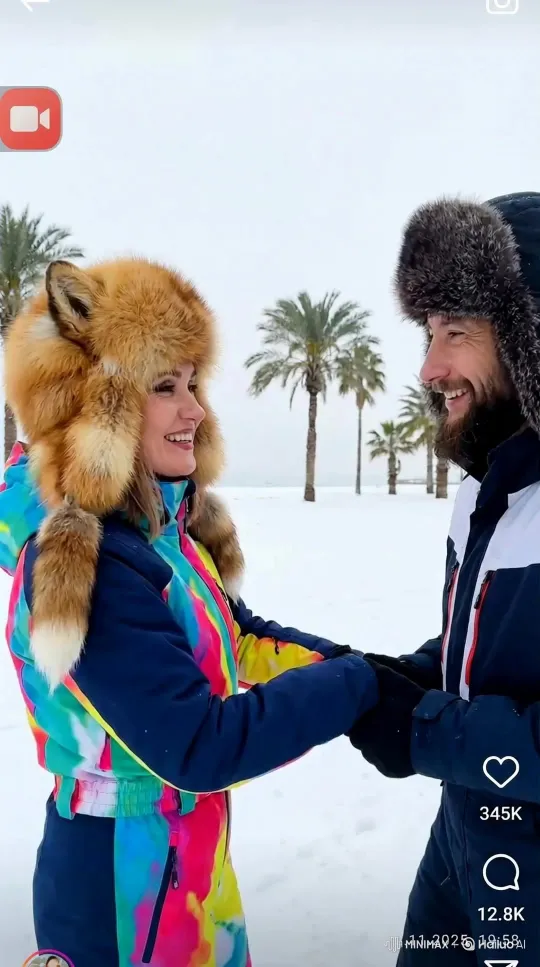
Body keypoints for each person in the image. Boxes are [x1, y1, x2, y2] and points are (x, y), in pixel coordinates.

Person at [0, 257, 377, 967]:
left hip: (189, 875)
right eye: (164, 387)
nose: (195, 409)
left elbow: (240, 639)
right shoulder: (92, 566)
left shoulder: (164, 540)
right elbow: (198, 745)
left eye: (194, 383)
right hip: (119, 891)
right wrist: (353, 691)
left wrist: (378, 670)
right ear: (97, 408)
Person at [349, 192, 540, 964]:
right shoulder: (483, 491)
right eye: (429, 333)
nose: (430, 369)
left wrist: (425, 727)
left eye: (456, 332)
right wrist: (407, 676)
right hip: (462, 844)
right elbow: (491, 646)